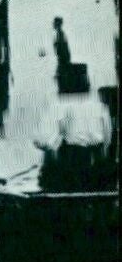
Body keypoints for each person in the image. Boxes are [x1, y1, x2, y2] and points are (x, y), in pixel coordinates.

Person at [35, 62, 115, 191]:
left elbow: (44, 141)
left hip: (70, 167)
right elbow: (107, 139)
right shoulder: (99, 106)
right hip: (96, 168)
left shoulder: (59, 106)